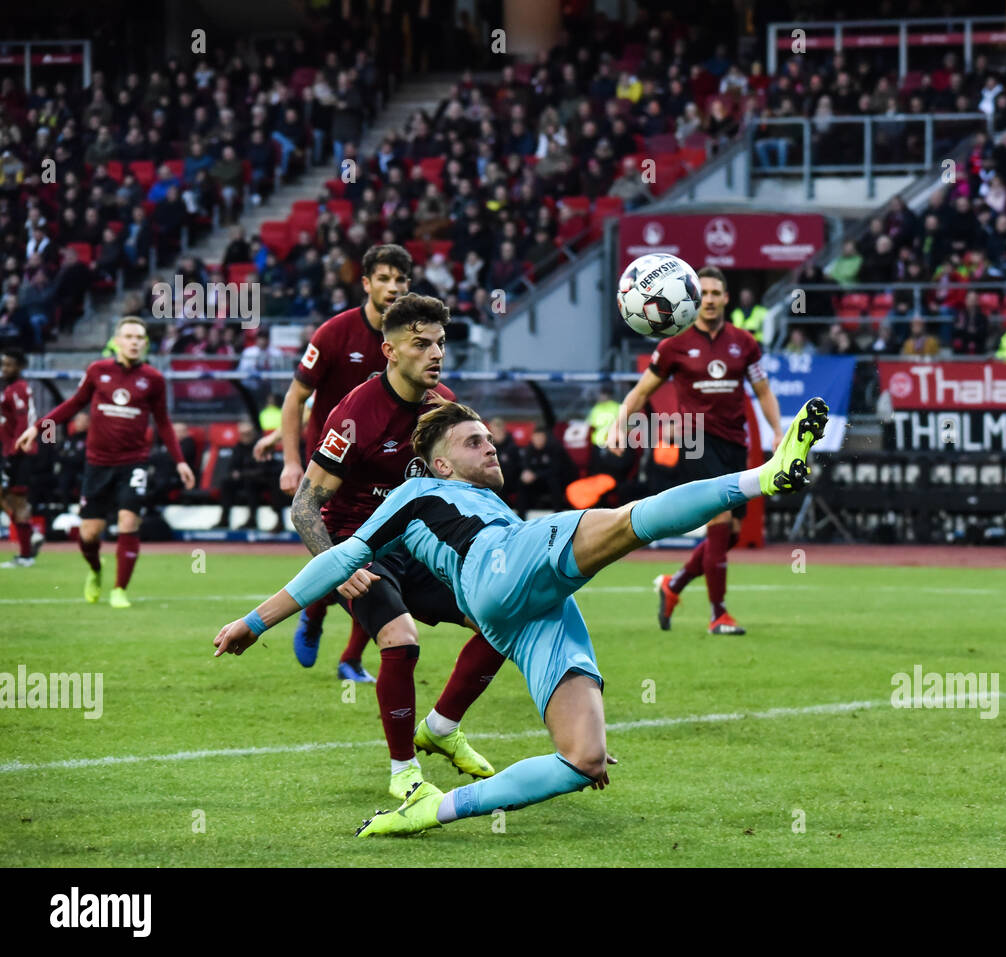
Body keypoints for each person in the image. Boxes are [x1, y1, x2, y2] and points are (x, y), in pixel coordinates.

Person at [213, 396, 829, 836]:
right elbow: (341, 558)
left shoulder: (478, 498)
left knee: (583, 758)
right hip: (499, 565)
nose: (491, 445)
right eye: (473, 441)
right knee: (623, 522)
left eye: (490, 437)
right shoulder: (418, 493)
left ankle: (431, 810)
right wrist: (256, 620)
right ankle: (767, 476)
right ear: (441, 464)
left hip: (520, 613)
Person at [287, 294, 501, 798]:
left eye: (441, 344)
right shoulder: (356, 414)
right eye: (421, 344)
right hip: (357, 544)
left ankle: (443, 728)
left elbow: (472, 485)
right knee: (401, 640)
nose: (436, 354)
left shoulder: (443, 408)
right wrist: (337, 568)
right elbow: (304, 508)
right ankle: (403, 770)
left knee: (502, 618)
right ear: (390, 351)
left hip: (417, 544)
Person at [256, 244, 413, 682]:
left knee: (383, 557)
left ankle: (351, 658)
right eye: (383, 278)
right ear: (365, 283)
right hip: (332, 465)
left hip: (386, 468)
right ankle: (314, 613)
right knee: (340, 553)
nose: (393, 287)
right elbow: (296, 398)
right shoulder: (333, 334)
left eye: (401, 280)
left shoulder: (410, 340)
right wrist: (289, 458)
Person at [608, 266, 783, 635]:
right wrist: (619, 424)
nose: (711, 299)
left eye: (717, 293)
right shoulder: (674, 343)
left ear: (726, 299)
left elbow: (764, 391)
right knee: (718, 523)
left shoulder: (745, 343)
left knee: (733, 533)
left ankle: (674, 585)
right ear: (694, 297)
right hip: (697, 441)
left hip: (736, 442)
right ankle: (718, 615)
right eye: (704, 292)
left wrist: (778, 432)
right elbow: (641, 392)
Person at [16, 317, 196, 606]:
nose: (135, 342)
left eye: (140, 337)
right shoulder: (97, 371)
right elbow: (74, 404)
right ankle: (96, 570)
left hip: (134, 462)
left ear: (145, 343)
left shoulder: (153, 379)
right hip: (98, 463)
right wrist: (38, 427)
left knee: (128, 521)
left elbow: (163, 422)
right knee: (89, 534)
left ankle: (119, 589)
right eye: (129, 336)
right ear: (117, 341)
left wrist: (180, 461)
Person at [0, 349, 39, 567]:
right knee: (7, 499)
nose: (5, 369)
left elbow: (24, 423)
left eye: (9, 365)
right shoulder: (10, 389)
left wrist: (14, 451)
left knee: (18, 501)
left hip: (20, 453)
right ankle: (30, 536)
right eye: (3, 364)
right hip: (10, 452)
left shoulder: (19, 389)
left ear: (21, 367)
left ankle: (26, 555)